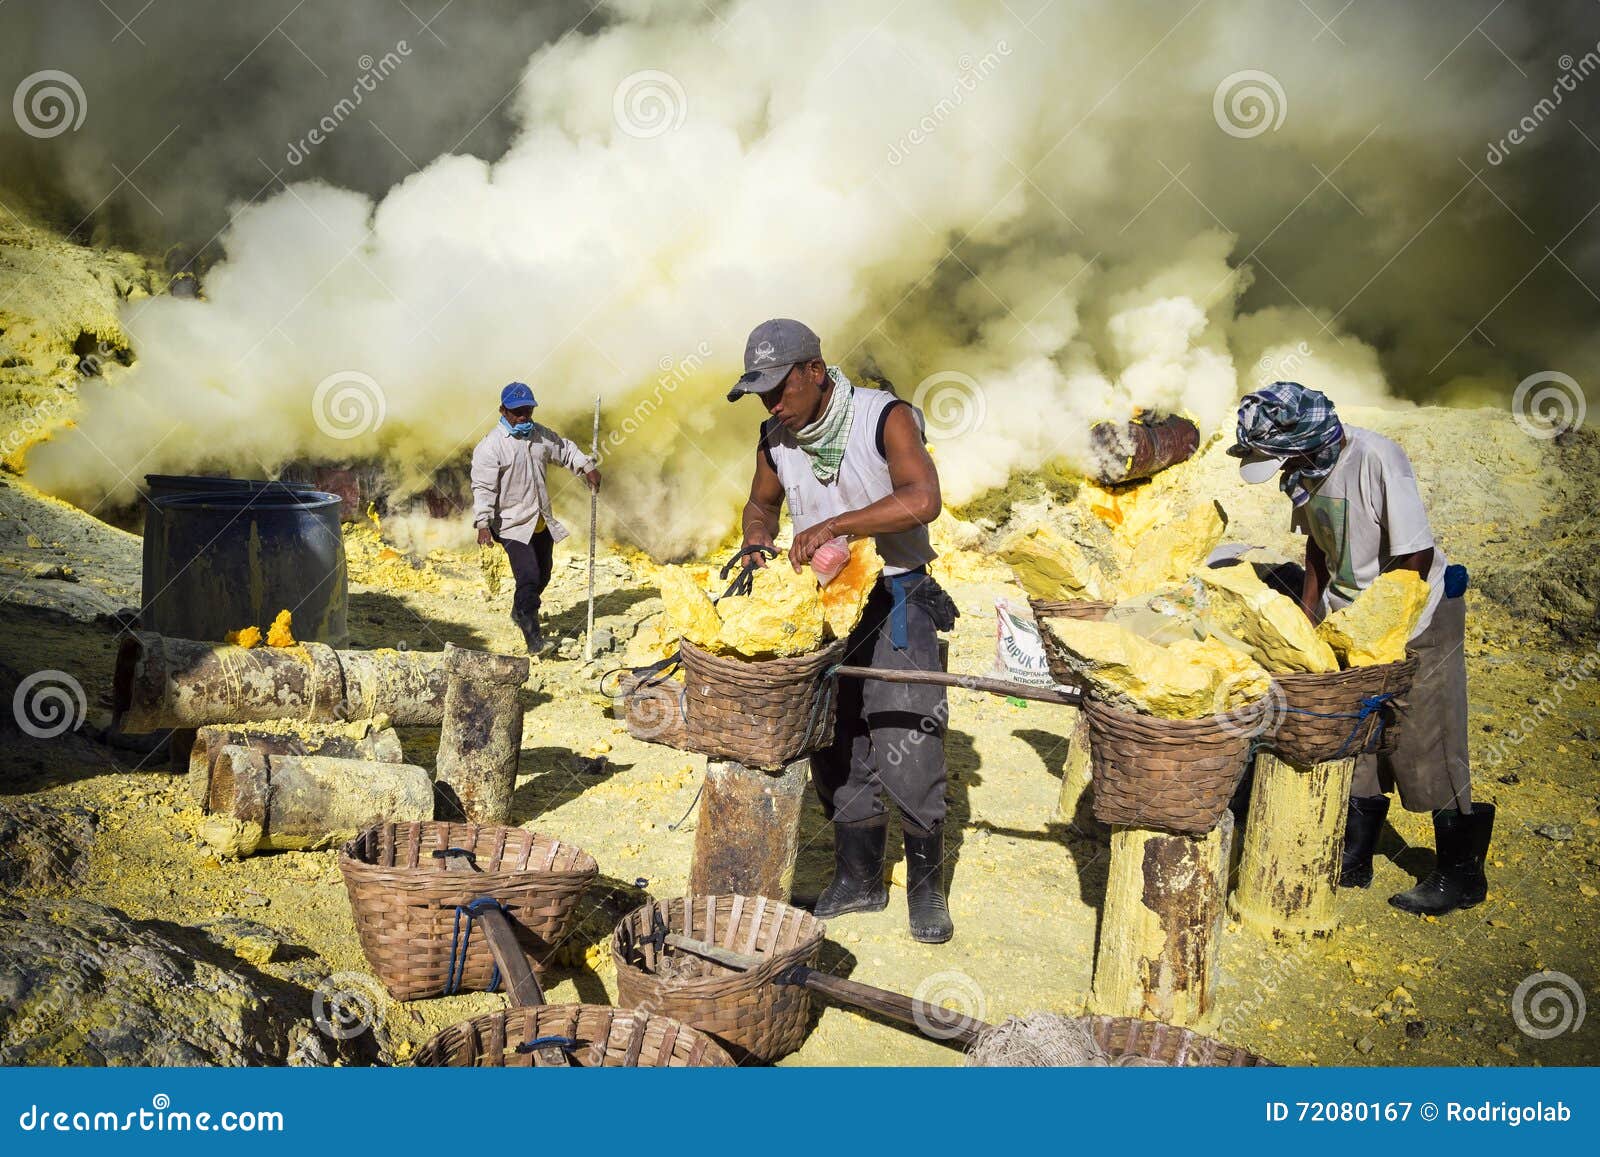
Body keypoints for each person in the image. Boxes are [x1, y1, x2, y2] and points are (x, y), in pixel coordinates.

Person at [730, 319, 961, 943]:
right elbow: (762, 505)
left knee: (905, 731)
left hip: (896, 591)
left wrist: (838, 526)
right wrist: (756, 543)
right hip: (828, 602)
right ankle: (858, 879)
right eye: (761, 393)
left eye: (780, 387)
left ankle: (924, 888)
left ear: (813, 369)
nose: (772, 402)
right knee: (835, 735)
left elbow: (923, 497)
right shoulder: (774, 435)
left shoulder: (885, 418)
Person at [1229, 380, 1492, 917]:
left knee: (1423, 738)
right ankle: (1356, 853)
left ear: (1306, 438)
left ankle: (1460, 874)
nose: (1278, 468)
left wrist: (1382, 630)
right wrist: (1309, 620)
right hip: (1350, 618)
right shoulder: (1304, 470)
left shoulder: (1377, 458)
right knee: (1357, 732)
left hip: (1416, 614)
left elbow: (1414, 556)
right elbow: (1317, 546)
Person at [471, 381, 600, 656]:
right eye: (517, 412)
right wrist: (483, 524)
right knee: (528, 576)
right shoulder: (491, 447)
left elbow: (564, 450)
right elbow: (483, 488)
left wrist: (587, 467)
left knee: (543, 574)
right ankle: (534, 638)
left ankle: (520, 610)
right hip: (511, 525)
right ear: (503, 411)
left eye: (528, 411)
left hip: (539, 520)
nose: (523, 418)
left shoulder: (539, 436)